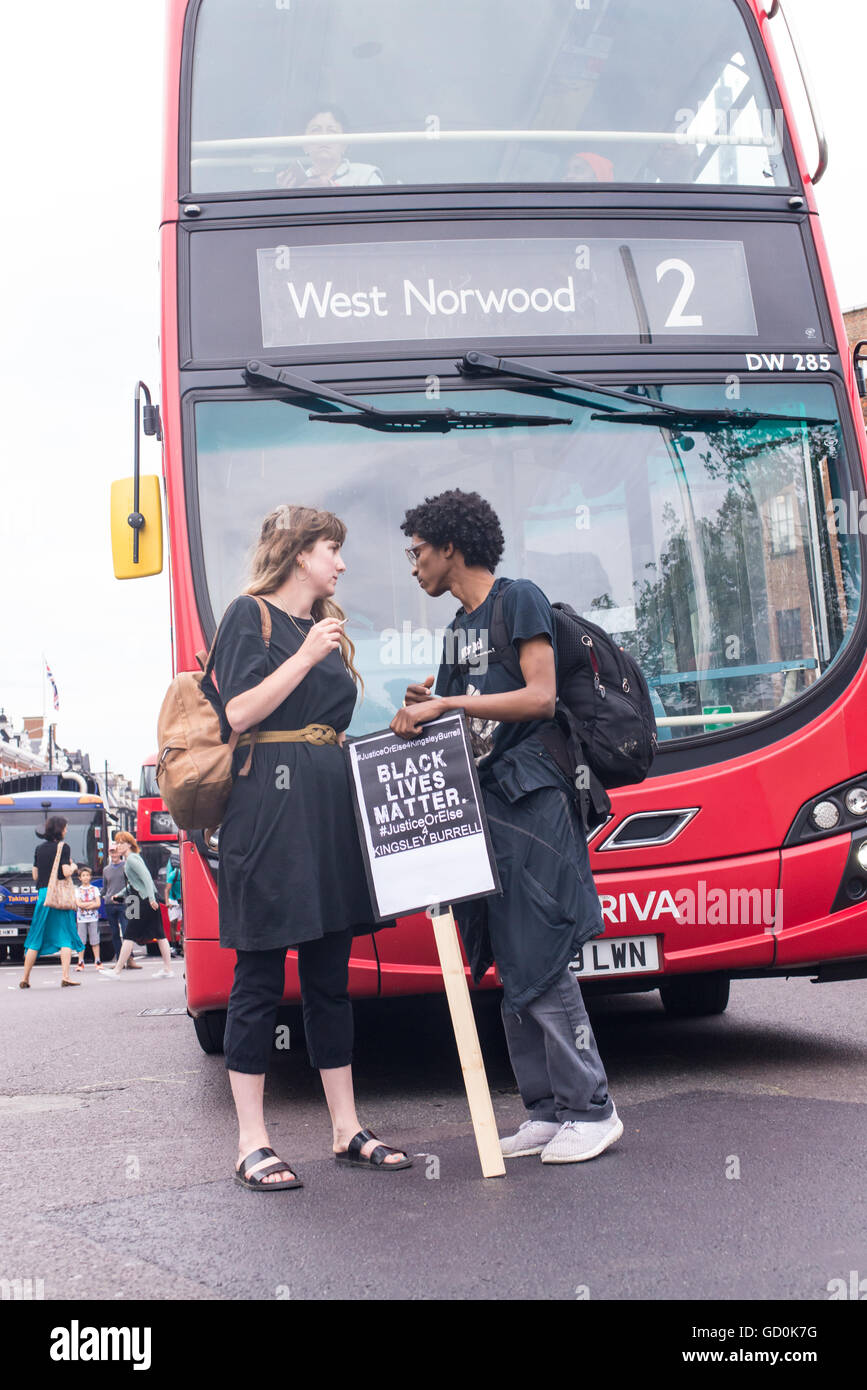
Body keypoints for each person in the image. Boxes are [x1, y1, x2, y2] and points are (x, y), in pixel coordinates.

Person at [391, 489, 622, 1165]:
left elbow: (539, 696)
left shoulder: (518, 598)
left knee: (541, 953)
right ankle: (546, 1110)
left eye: (417, 552)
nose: (413, 566)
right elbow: (459, 717)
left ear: (450, 549)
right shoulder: (455, 628)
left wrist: (450, 699)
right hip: (488, 806)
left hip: (535, 803)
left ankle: (593, 1109)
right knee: (509, 954)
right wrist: (426, 707)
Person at [212, 503, 411, 1189]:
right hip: (267, 808)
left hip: (328, 808)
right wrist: (302, 656)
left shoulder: (328, 630)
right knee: (260, 975)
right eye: (332, 549)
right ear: (300, 554)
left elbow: (327, 725)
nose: (342, 563)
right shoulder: (250, 616)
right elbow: (235, 712)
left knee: (331, 977)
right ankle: (250, 1141)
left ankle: (344, 1128)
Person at [19, 816, 84, 988]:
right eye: (65, 827)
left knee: (35, 936)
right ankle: (65, 976)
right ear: (59, 829)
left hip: (43, 896)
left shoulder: (39, 848)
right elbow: (64, 872)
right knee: (65, 936)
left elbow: (35, 875)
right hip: (59, 897)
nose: (66, 830)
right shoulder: (64, 847)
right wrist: (75, 867)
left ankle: (25, 978)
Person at [102, 832, 174, 980]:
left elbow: (146, 878)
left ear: (129, 844)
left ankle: (117, 970)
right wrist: (120, 895)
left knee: (129, 934)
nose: (118, 846)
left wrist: (151, 898)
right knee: (160, 935)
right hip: (142, 899)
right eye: (117, 843)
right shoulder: (132, 859)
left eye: (122, 843)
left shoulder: (132, 860)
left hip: (142, 901)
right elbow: (134, 884)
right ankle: (167, 969)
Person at [276, 107, 384, 189]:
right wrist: (285, 194)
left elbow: (378, 213)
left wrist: (331, 188)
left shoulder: (366, 176)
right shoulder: (297, 184)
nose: (324, 137)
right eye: (316, 130)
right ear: (305, 145)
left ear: (344, 145)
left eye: (332, 130)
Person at [102, 843, 141, 968]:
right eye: (111, 852)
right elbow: (104, 888)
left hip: (124, 902)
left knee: (126, 932)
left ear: (119, 853)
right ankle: (120, 960)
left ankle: (130, 959)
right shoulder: (106, 870)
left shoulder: (126, 866)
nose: (114, 854)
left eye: (115, 851)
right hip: (109, 904)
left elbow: (132, 882)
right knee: (114, 934)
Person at [73, 867, 102, 971]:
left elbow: (98, 903)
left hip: (93, 918)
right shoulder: (77, 890)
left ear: (90, 877)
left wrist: (86, 905)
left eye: (87, 875)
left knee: (95, 940)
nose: (85, 877)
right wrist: (91, 904)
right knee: (81, 941)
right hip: (81, 919)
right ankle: (80, 962)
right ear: (80, 878)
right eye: (83, 876)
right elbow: (78, 904)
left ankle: (98, 961)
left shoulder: (95, 889)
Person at [166, 854, 183, 952]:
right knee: (173, 923)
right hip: (173, 899)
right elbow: (166, 890)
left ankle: (181, 944)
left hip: (183, 899)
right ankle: (174, 945)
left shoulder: (185, 872)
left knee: (183, 925)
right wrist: (167, 902)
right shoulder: (174, 874)